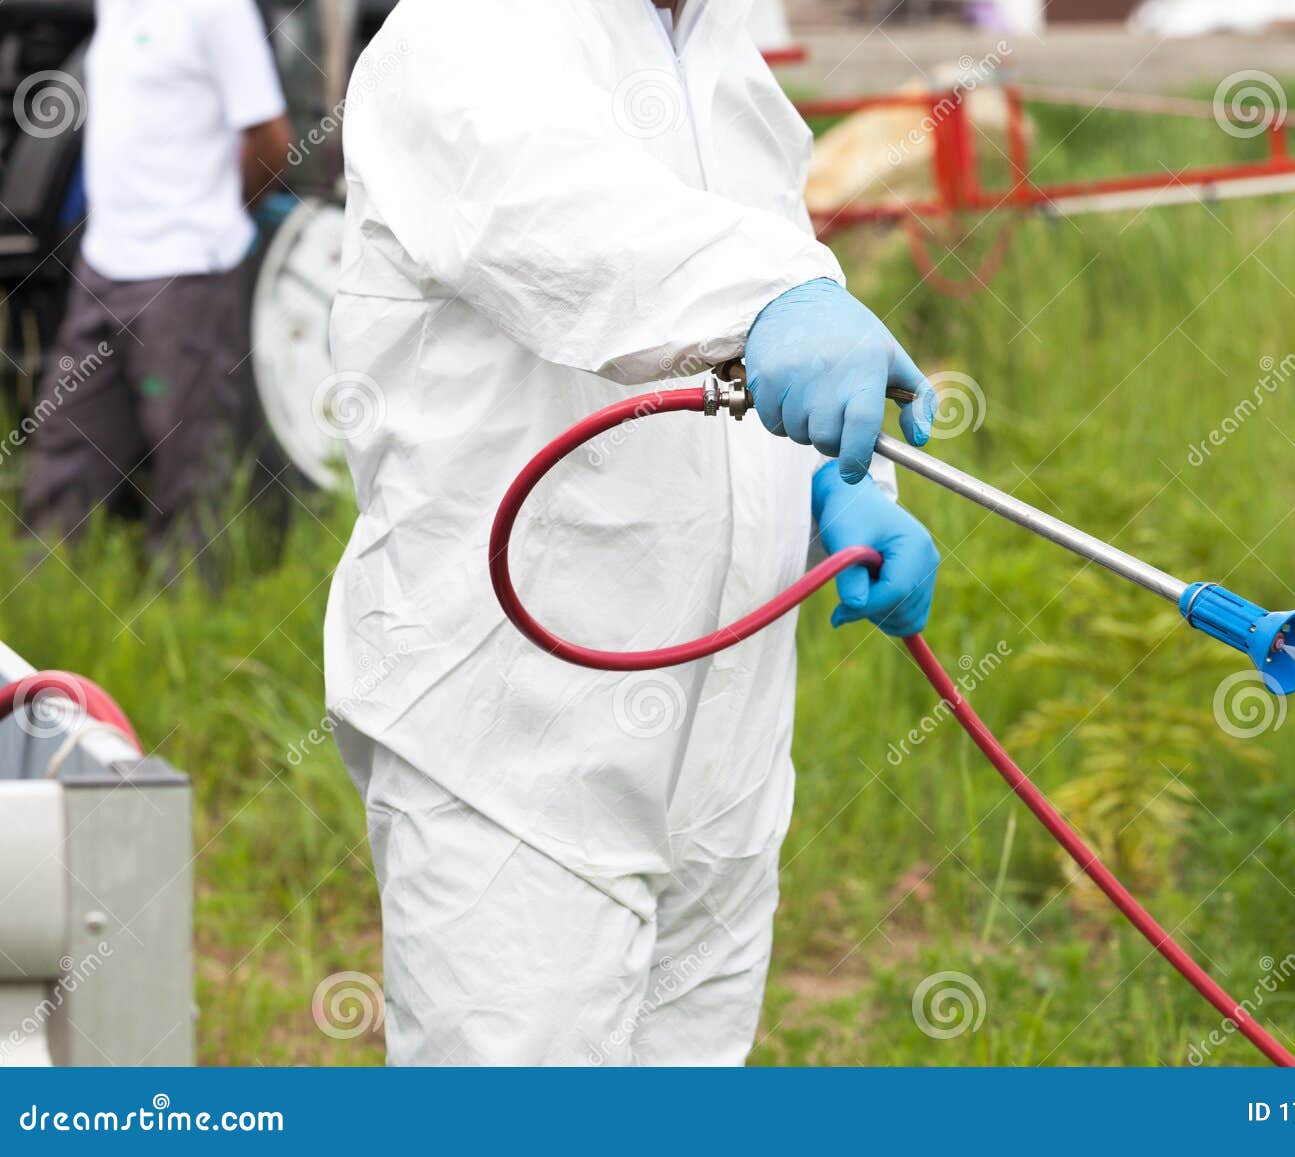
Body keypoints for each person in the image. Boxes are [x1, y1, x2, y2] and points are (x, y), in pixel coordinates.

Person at [326, 0, 942, 1065]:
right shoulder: (461, 34)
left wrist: (843, 488)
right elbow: (569, 220)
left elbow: (771, 333)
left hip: (722, 768)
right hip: (514, 752)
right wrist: (778, 295)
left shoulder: (720, 57)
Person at [21, 0, 292, 560]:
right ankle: (42, 608)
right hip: (103, 266)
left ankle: (187, 622)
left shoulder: (219, 11)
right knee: (66, 447)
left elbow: (270, 138)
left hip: (185, 273)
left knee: (191, 463)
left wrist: (216, 216)